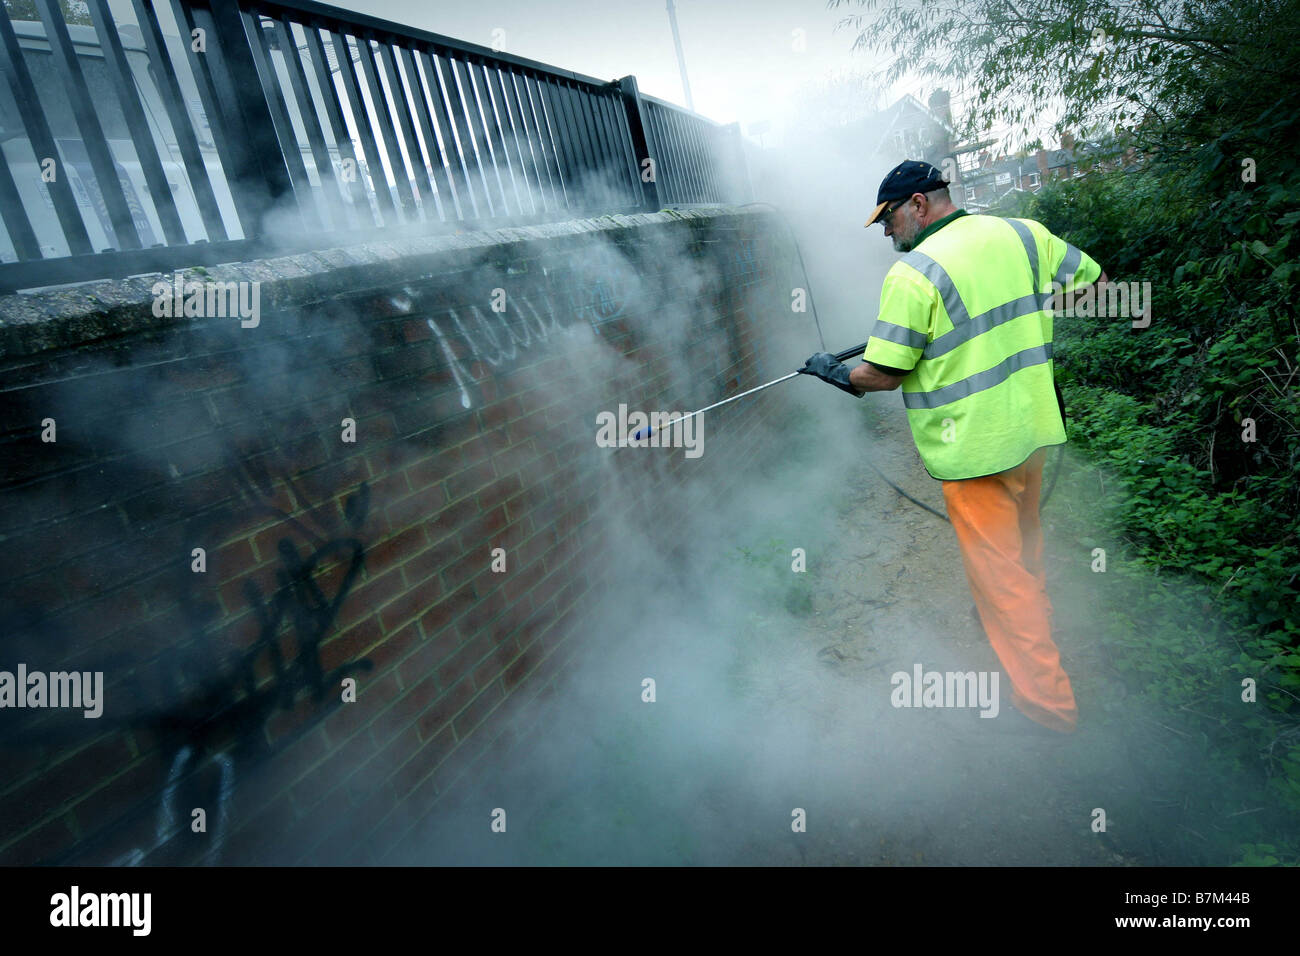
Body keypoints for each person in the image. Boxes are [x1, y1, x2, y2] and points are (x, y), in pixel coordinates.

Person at [800, 159, 1108, 734]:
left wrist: (834, 374)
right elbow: (1095, 287)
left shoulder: (913, 274)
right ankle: (1034, 634)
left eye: (888, 218)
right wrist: (1031, 313)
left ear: (918, 204)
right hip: (1032, 433)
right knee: (1025, 553)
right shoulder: (1024, 234)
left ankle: (1050, 708)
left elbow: (882, 374)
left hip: (973, 455)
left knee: (1002, 582)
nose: (887, 232)